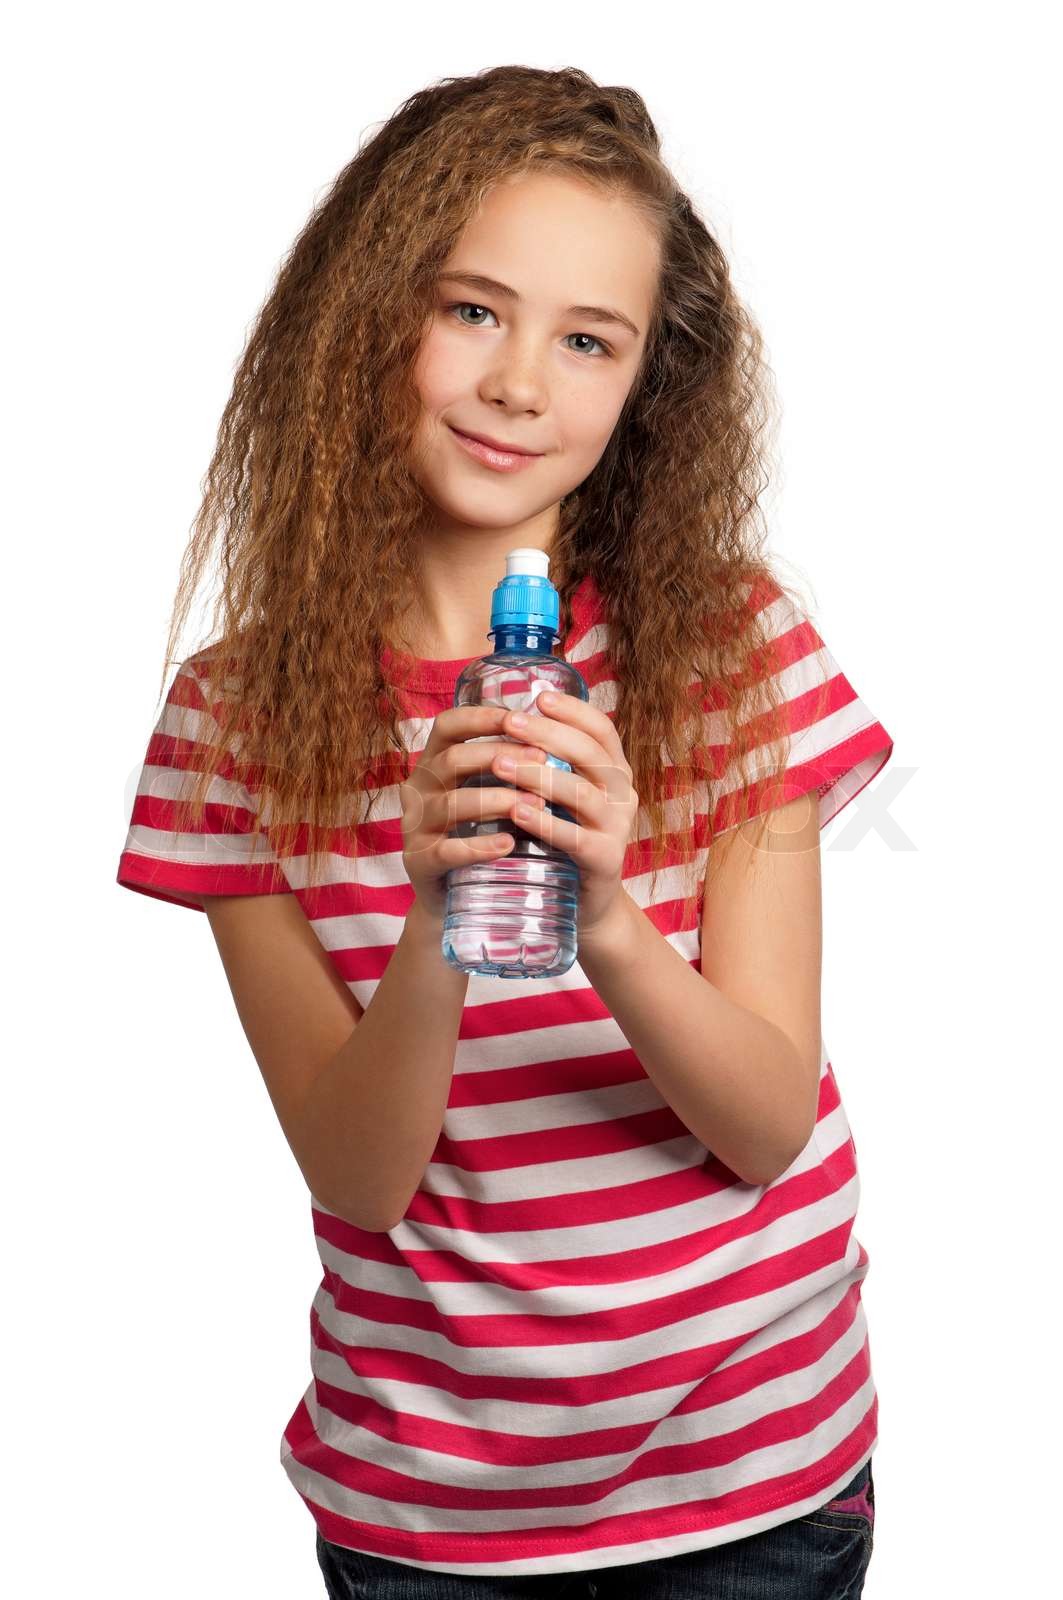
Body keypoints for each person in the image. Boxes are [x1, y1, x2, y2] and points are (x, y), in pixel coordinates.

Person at [116, 64, 889, 1600]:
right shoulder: (234, 721)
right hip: (435, 1510)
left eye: (585, 339)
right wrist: (437, 917)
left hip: (755, 1475)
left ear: (641, 388)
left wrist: (603, 918)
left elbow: (764, 1121)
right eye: (471, 310)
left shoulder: (731, 652)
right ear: (367, 315)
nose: (520, 381)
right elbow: (357, 1176)